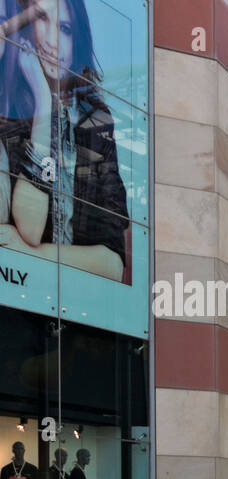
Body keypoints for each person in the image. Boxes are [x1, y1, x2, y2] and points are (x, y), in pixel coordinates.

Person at [0, 0, 129, 281]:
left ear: (78, 37)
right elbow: (31, 228)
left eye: (65, 28)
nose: (51, 41)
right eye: (42, 19)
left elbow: (112, 263)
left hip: (76, 308)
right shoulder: (8, 108)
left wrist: (28, 253)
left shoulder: (94, 123)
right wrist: (43, 108)